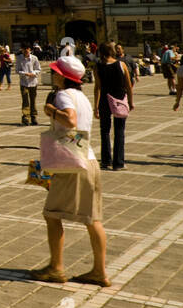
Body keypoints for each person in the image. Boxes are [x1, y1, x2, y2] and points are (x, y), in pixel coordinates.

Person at [32, 56, 110, 287]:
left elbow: (70, 121)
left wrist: (51, 111)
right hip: (89, 160)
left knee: (52, 214)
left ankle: (56, 268)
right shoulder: (82, 97)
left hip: (71, 163)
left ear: (62, 76)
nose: (52, 74)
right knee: (92, 219)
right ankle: (99, 271)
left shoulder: (62, 95)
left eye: (55, 72)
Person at [93, 41, 132, 171]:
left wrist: (96, 106)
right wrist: (131, 102)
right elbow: (128, 85)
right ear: (112, 51)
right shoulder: (121, 65)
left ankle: (105, 161)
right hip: (119, 100)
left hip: (104, 100)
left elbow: (97, 87)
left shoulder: (98, 66)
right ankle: (118, 163)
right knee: (119, 131)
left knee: (104, 131)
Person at [17, 45, 41, 125]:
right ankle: (25, 116)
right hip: (24, 82)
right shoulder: (19, 58)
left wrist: (33, 73)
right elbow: (17, 70)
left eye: (27, 49)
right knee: (25, 99)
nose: (26, 51)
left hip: (33, 82)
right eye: (24, 49)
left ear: (30, 49)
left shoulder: (34, 58)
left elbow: (38, 69)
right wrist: (25, 74)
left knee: (33, 99)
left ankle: (33, 116)